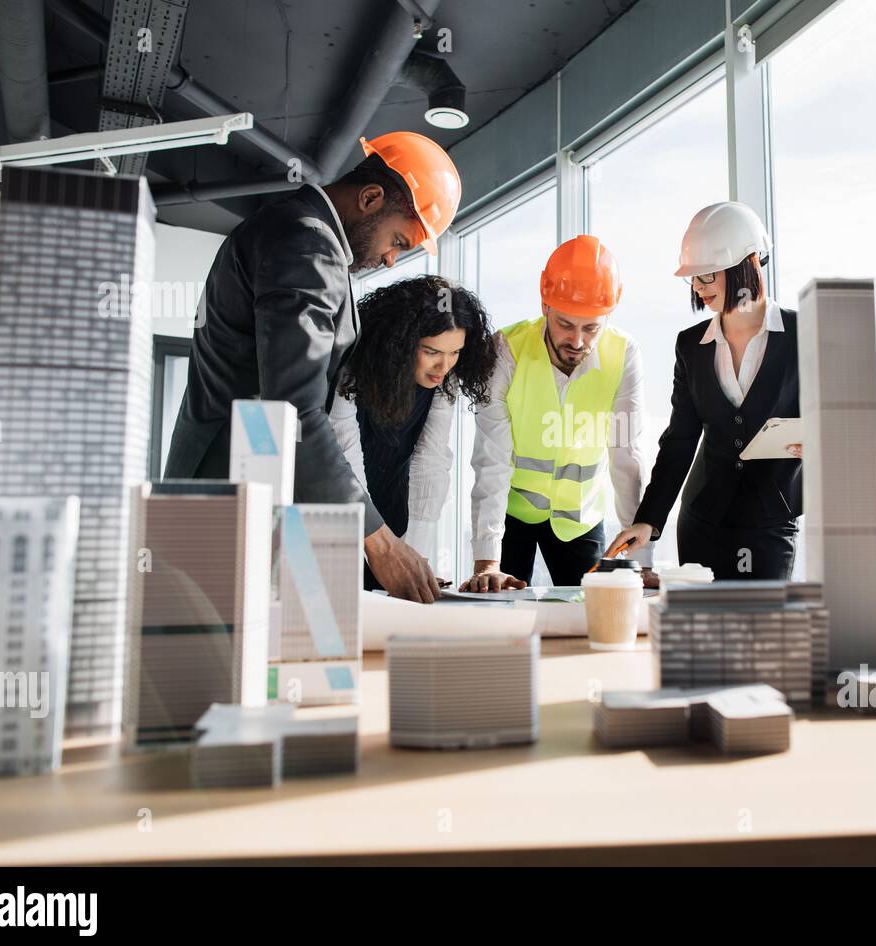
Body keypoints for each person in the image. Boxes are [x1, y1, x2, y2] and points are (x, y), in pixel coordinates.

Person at [164, 131, 461, 603]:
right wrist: (380, 542)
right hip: (229, 494)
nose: (389, 258)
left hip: (246, 488)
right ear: (370, 198)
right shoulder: (307, 244)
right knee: (216, 664)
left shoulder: (297, 232)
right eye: (398, 241)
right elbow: (295, 409)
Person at [606, 202, 803, 581]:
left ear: (747, 264)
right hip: (702, 524)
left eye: (707, 275)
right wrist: (648, 520)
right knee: (701, 636)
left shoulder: (802, 333)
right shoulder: (690, 346)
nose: (697, 287)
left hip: (770, 524)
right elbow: (680, 440)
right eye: (693, 278)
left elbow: (834, 420)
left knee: (761, 634)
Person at [461, 235, 651, 592]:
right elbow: (492, 458)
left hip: (580, 519)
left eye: (591, 327)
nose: (577, 341)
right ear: (545, 305)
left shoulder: (624, 355)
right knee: (503, 615)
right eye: (566, 324)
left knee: (589, 615)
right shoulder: (505, 350)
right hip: (511, 514)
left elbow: (626, 455)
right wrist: (487, 559)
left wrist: (640, 560)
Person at [329, 275, 497, 590]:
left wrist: (413, 557)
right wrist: (379, 549)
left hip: (393, 512)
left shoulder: (445, 382)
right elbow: (344, 454)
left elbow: (430, 463)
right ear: (401, 342)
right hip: (337, 513)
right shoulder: (351, 369)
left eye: (455, 353)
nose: (444, 365)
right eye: (432, 351)